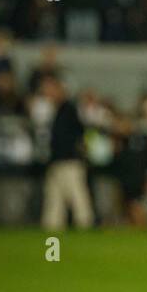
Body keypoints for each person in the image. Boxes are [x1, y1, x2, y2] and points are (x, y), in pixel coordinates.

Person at [40, 74, 94, 230]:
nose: (48, 93)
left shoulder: (70, 109)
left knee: (77, 197)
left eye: (51, 89)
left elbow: (81, 133)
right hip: (57, 161)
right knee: (54, 199)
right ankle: (52, 230)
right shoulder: (56, 110)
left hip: (70, 162)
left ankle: (85, 226)